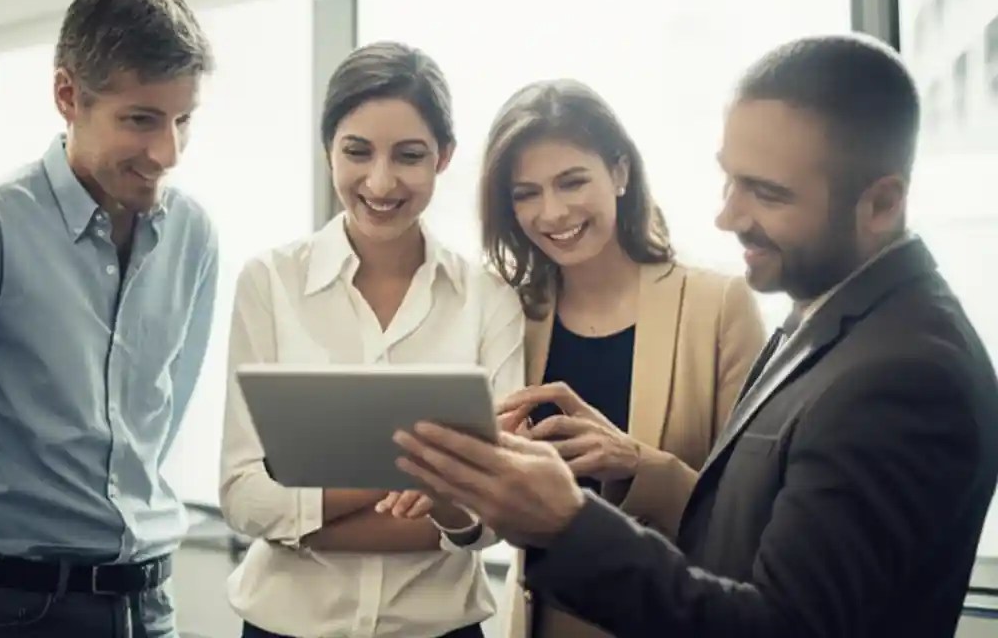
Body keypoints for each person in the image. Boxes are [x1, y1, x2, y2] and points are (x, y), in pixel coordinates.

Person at [393, 33, 998, 637]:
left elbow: (777, 622)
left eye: (767, 193)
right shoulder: (829, 321)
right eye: (730, 181)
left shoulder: (903, 374)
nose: (726, 217)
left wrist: (573, 517)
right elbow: (743, 524)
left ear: (882, 204)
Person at [0, 0, 217, 638]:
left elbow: (162, 423)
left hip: (152, 604)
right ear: (67, 95)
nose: (167, 153)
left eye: (182, 120)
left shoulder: (194, 236)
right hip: (10, 609)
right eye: (140, 119)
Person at [218, 41, 524, 638]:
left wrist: (306, 508)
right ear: (328, 149)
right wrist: (414, 482)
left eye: (409, 155)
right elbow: (243, 496)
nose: (380, 181)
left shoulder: (490, 300)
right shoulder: (270, 283)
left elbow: (493, 512)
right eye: (357, 152)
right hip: (285, 628)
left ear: (444, 158)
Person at [474, 79, 766, 637]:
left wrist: (636, 463)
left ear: (620, 173)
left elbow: (746, 520)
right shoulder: (511, 314)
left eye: (572, 181)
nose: (551, 212)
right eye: (525, 192)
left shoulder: (717, 305)